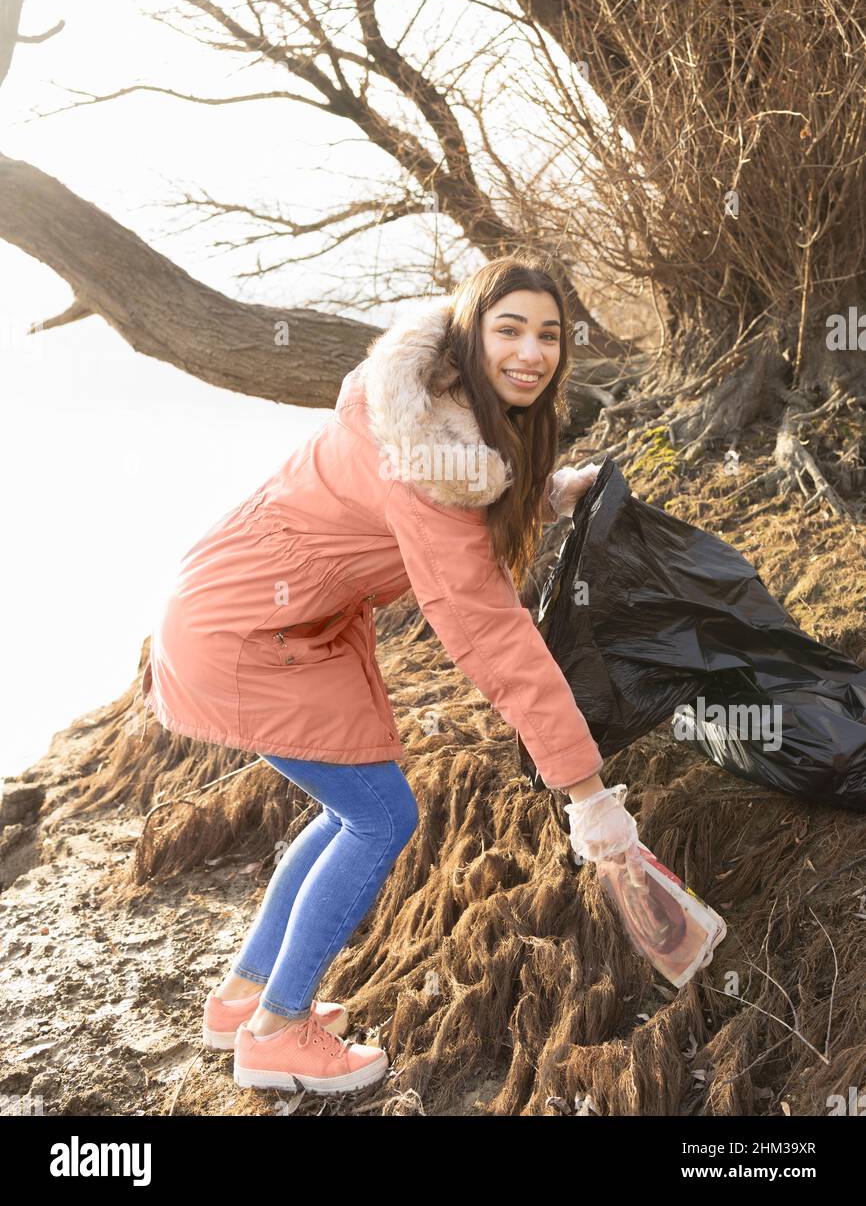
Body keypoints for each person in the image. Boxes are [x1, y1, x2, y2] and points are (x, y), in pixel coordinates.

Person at [140, 251, 639, 1097]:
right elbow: (490, 635)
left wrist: (546, 493)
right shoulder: (428, 469)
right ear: (469, 335)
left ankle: (243, 997)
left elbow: (470, 480)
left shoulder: (431, 412)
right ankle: (276, 1034)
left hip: (258, 616)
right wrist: (585, 791)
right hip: (246, 634)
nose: (532, 351)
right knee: (382, 818)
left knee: (353, 810)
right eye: (509, 329)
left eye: (549, 334)